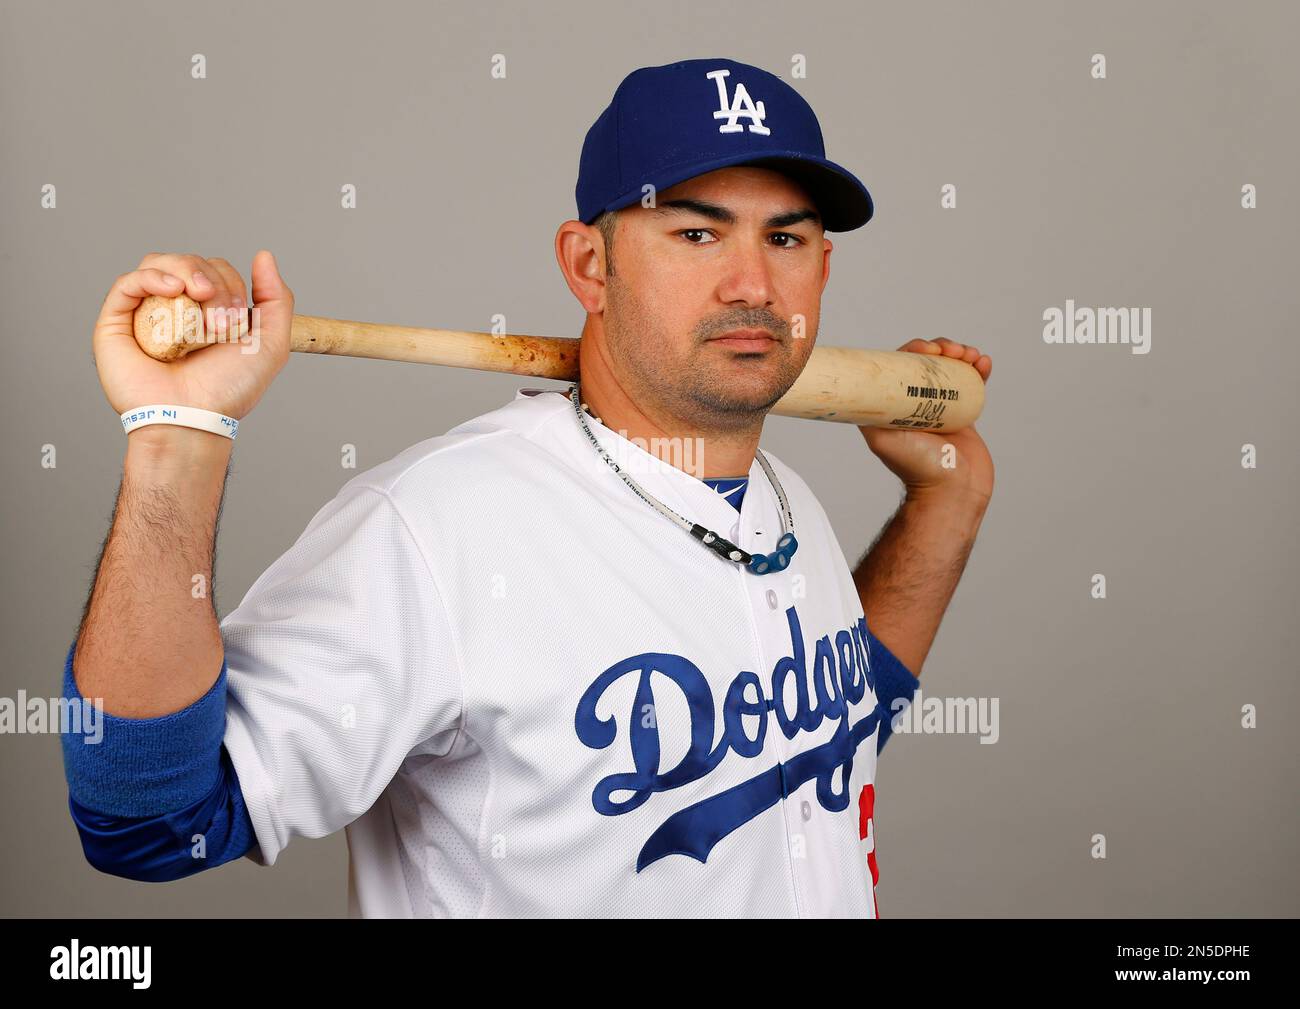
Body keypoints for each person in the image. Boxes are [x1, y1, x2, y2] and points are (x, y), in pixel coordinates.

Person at [61, 57, 993, 917]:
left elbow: (823, 740)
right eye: (697, 231)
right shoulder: (438, 527)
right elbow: (147, 821)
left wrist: (945, 503)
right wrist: (176, 445)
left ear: (823, 269)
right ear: (591, 265)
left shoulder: (786, 498)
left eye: (784, 237)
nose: (750, 283)